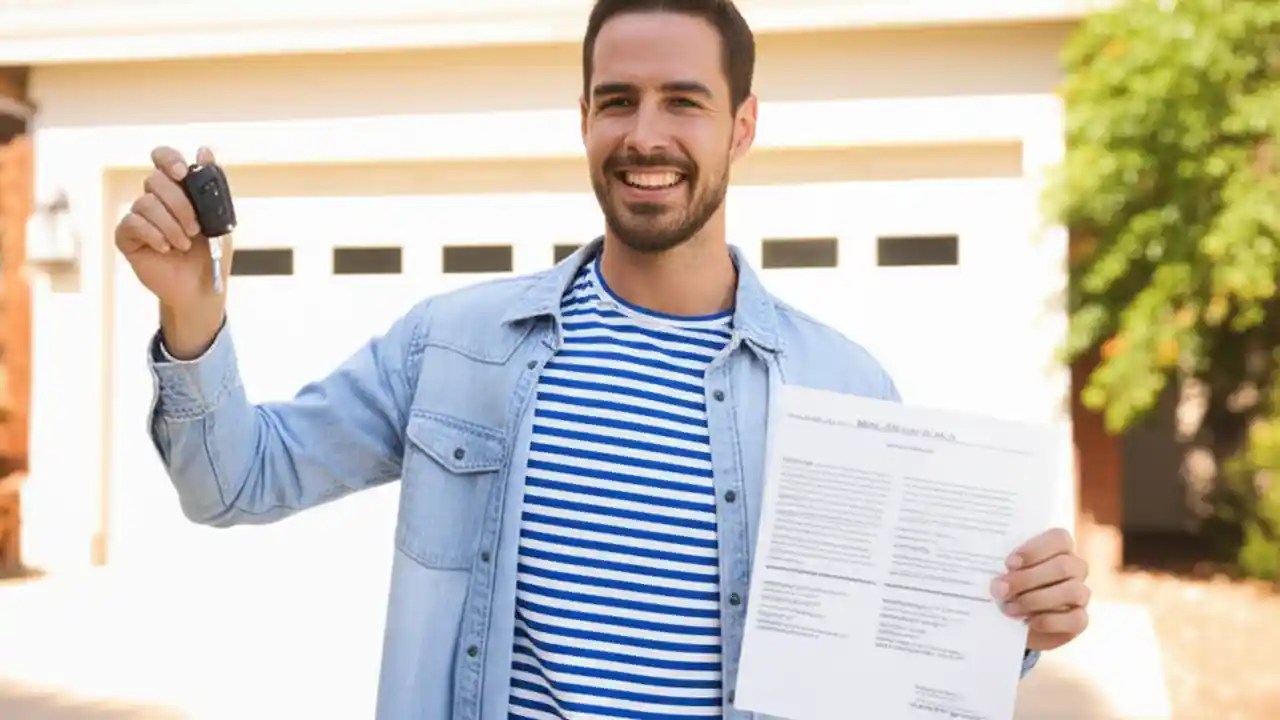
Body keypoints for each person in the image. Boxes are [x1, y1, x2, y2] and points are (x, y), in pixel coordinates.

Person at [114, 0, 1092, 717]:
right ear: (582, 117)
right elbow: (234, 483)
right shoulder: (454, 349)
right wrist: (191, 307)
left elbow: (893, 664)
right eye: (616, 100)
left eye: (683, 102)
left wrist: (1016, 624)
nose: (645, 135)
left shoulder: (837, 387)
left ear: (741, 126)